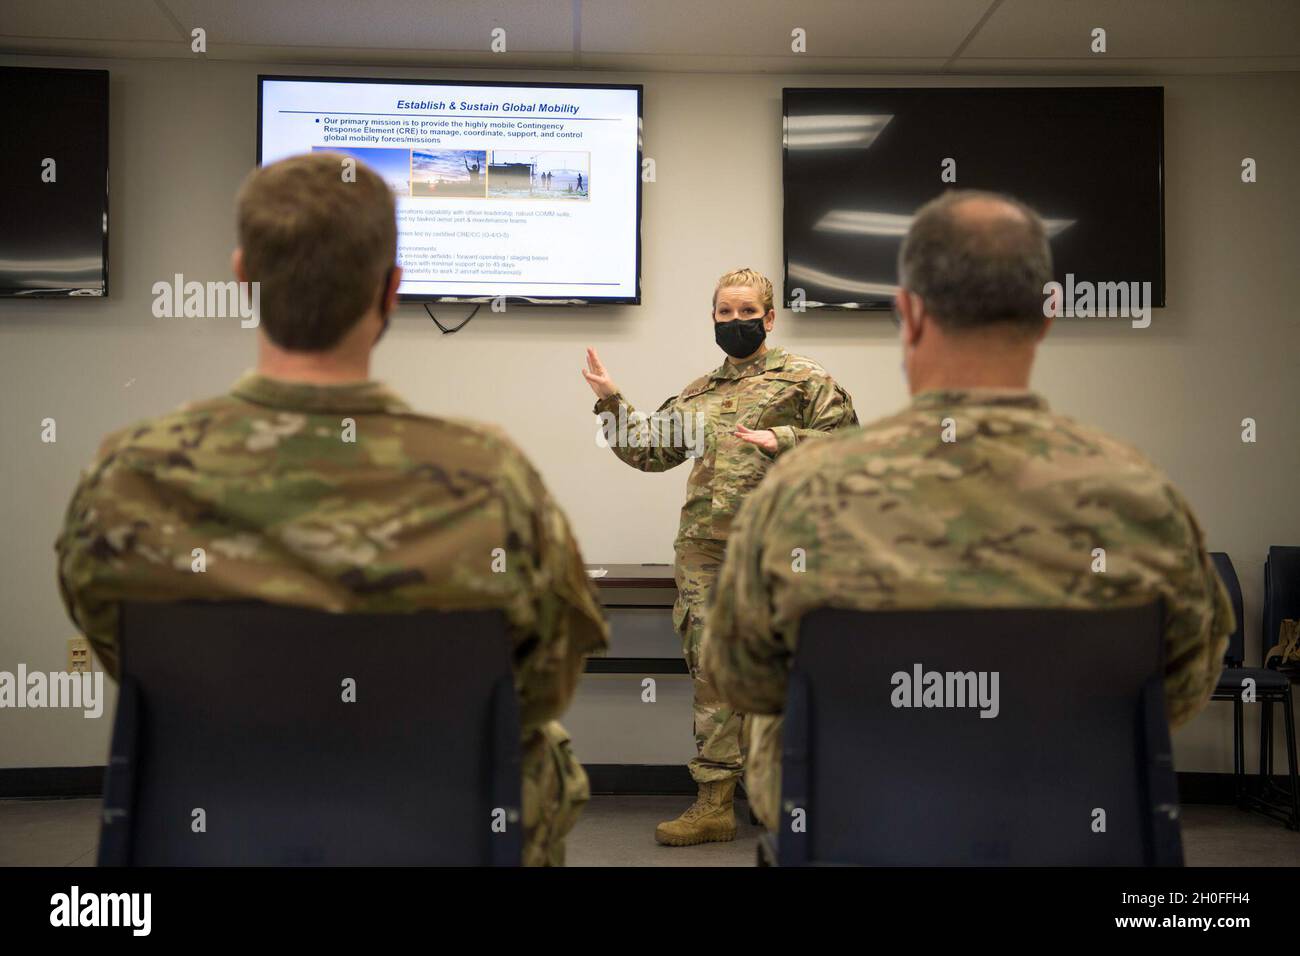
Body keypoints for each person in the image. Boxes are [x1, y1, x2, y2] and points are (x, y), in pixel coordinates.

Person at [54, 152, 608, 866]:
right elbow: (542, 687)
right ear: (392, 291)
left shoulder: (128, 477)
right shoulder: (493, 479)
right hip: (445, 838)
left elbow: (129, 662)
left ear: (242, 280)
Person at [704, 190, 1235, 831]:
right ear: (1046, 316)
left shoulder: (801, 491)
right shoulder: (1138, 496)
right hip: (1067, 832)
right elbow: (1180, 690)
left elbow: (741, 678)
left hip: (848, 831)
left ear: (910, 314)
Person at [582, 267, 858, 846]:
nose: (736, 322)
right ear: (714, 317)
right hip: (705, 551)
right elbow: (649, 452)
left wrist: (782, 439)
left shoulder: (803, 381)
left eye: (746, 311)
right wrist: (611, 401)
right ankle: (713, 804)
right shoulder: (699, 393)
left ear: (770, 317)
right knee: (711, 671)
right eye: (725, 313)